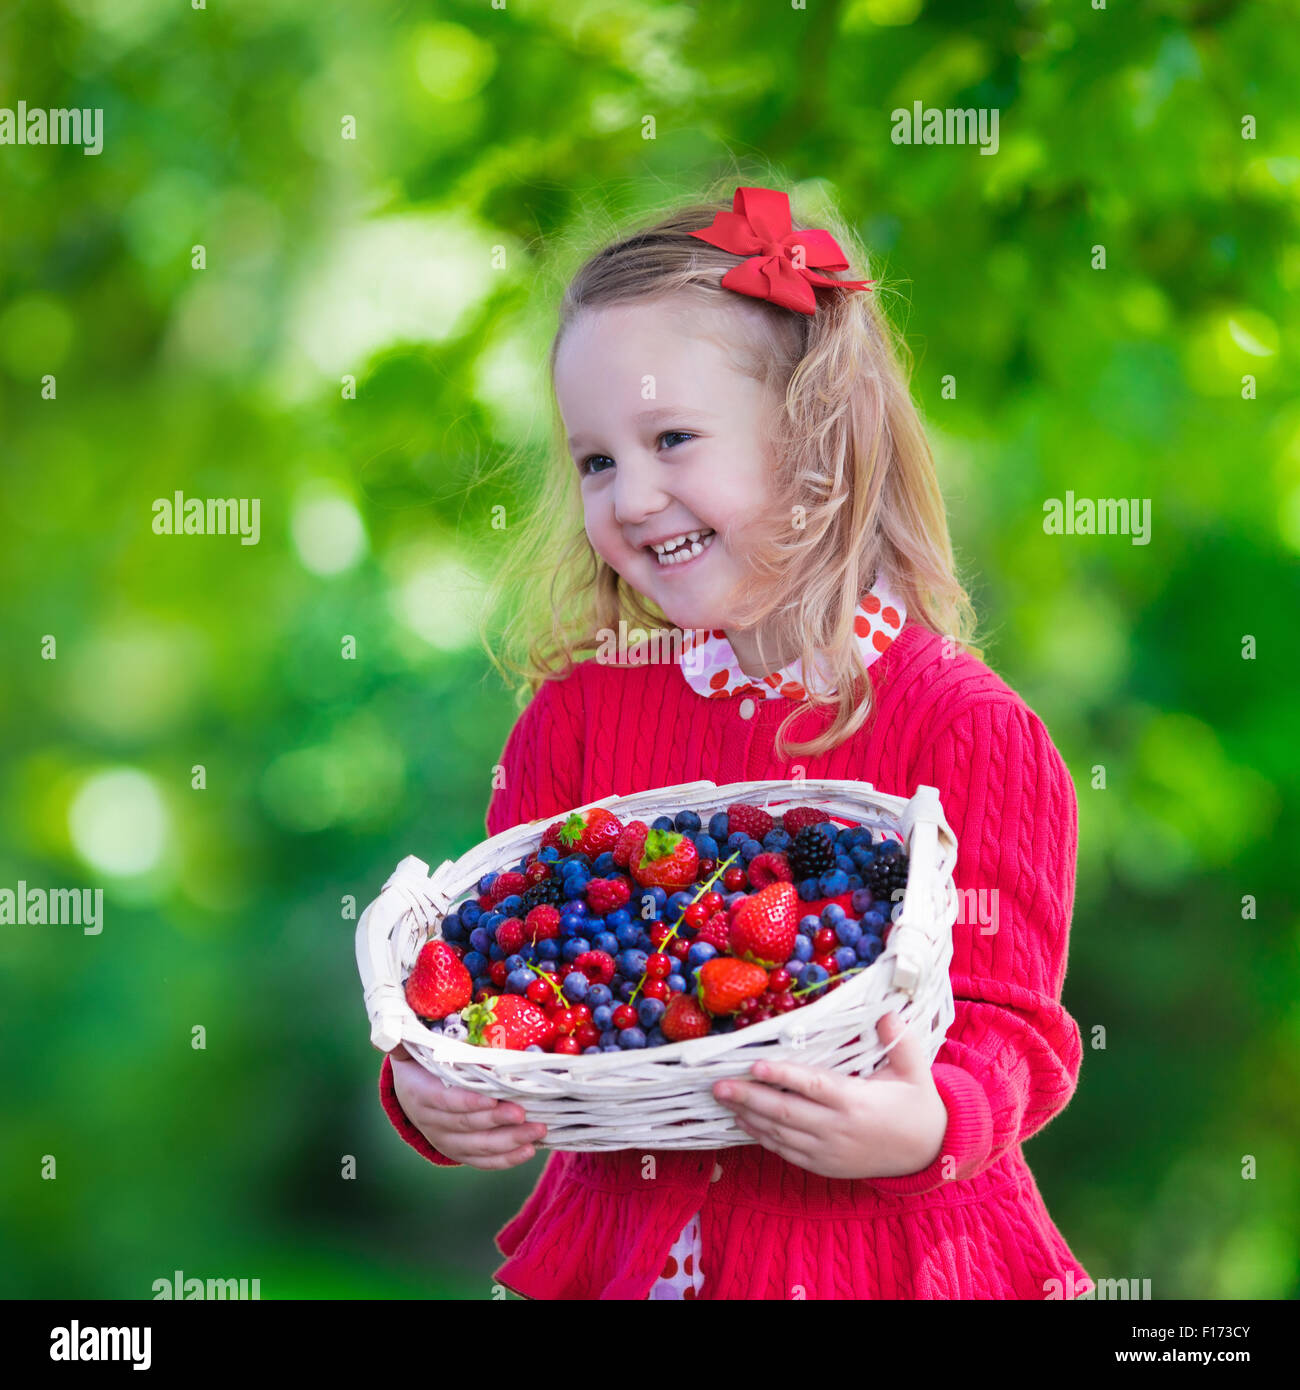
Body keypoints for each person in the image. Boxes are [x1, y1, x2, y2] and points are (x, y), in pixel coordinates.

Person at [377, 182, 1091, 1300]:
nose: (631, 495)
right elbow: (502, 970)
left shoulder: (968, 731)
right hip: (622, 1246)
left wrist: (927, 1122)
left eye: (671, 438)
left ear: (816, 443)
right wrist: (431, 1085)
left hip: (873, 1255)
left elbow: (1011, 1024)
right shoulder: (577, 719)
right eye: (597, 460)